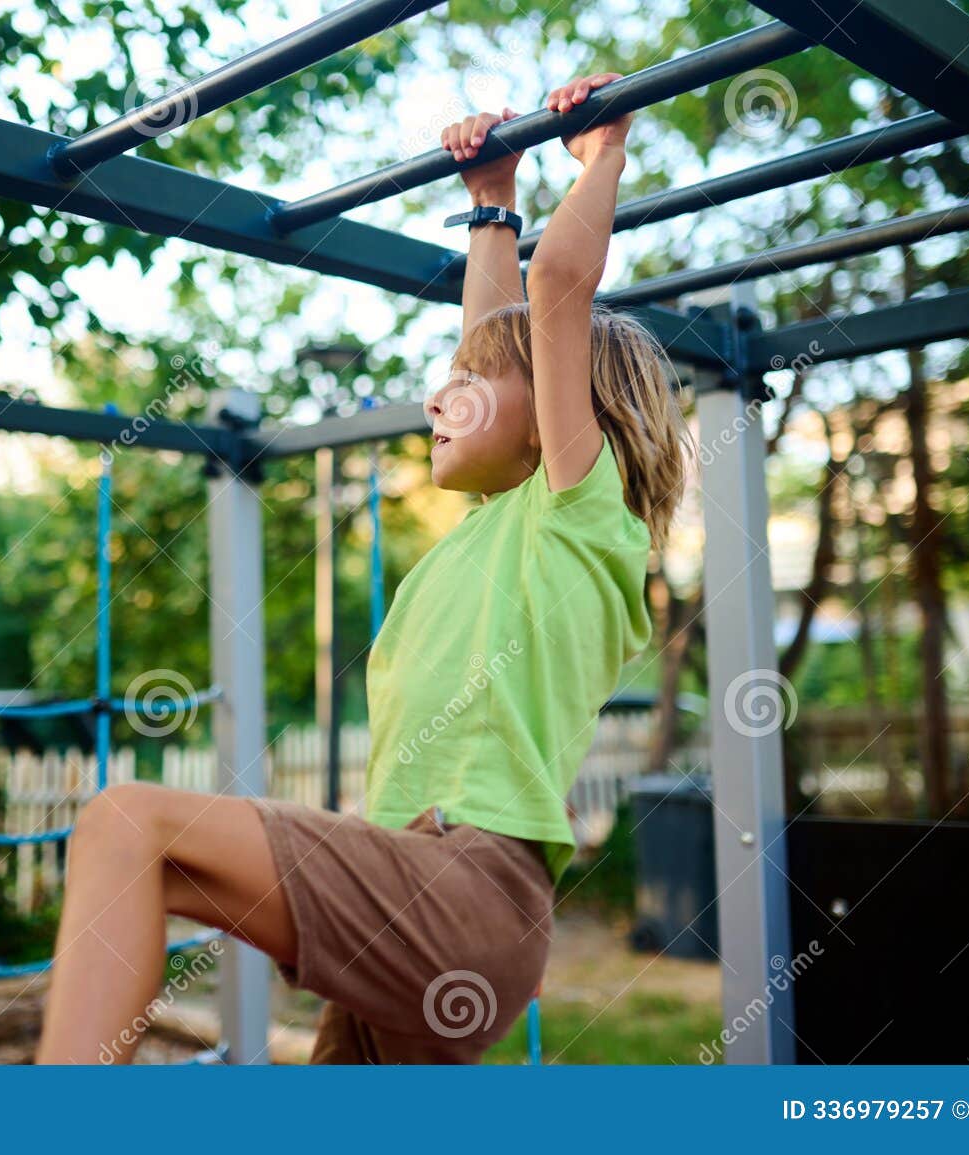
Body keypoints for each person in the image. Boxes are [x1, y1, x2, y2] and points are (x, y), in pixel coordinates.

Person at [36, 73, 688, 1065]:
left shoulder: (580, 519)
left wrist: (603, 157)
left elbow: (554, 293)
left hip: (463, 893)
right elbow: (497, 340)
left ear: (569, 414)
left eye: (468, 384)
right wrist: (490, 204)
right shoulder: (501, 522)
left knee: (128, 822)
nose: (437, 394)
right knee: (150, 870)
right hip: (419, 892)